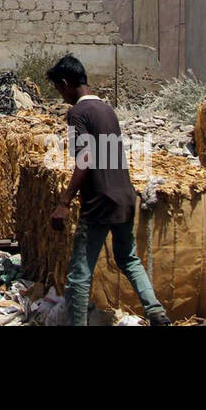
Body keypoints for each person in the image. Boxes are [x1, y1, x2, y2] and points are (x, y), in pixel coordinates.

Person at [46, 54, 169, 326]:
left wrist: (64, 201)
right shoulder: (106, 109)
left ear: (65, 83)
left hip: (99, 201)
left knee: (79, 272)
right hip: (125, 196)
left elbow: (86, 157)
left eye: (58, 88)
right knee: (129, 259)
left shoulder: (77, 113)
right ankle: (156, 313)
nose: (60, 95)